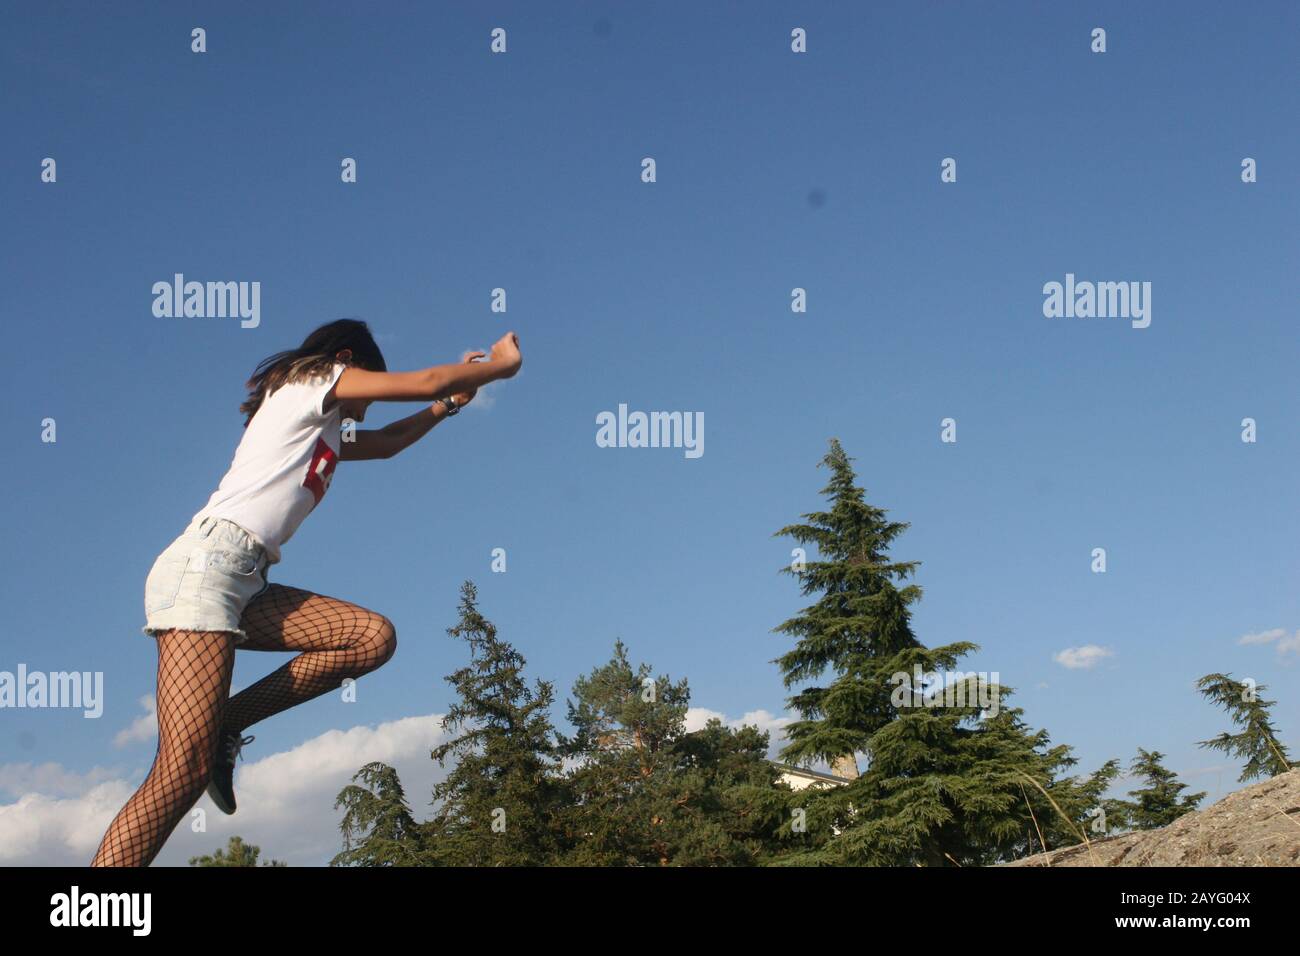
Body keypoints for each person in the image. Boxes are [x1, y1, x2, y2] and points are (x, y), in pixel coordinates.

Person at [90, 319, 522, 866]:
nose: (364, 409)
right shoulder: (306, 383)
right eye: (367, 386)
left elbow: (388, 443)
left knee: (370, 638)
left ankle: (231, 721)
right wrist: (501, 367)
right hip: (204, 569)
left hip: (245, 578)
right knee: (183, 770)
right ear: (344, 359)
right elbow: (427, 377)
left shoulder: (323, 433)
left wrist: (450, 405)